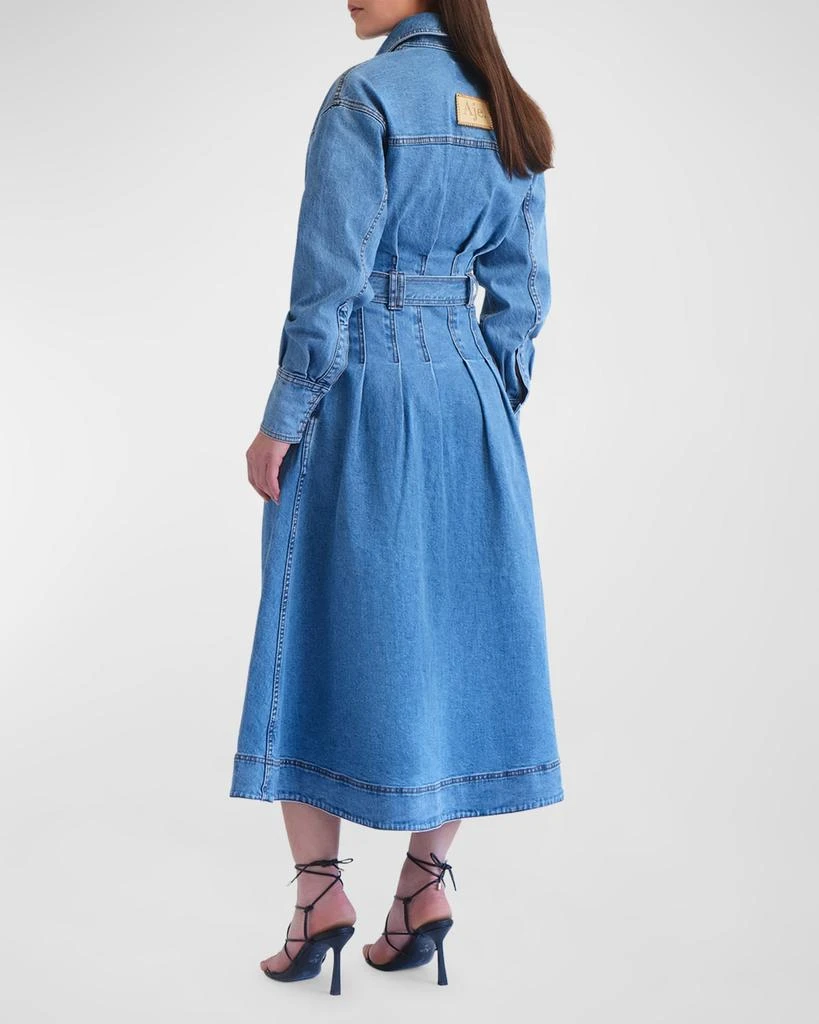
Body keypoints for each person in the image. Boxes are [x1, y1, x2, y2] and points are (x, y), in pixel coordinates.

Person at [229, 0, 564, 995]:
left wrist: (284, 416)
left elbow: (327, 282)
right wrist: (483, 399)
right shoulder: (507, 107)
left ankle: (318, 896)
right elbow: (522, 296)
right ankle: (423, 887)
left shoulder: (366, 97)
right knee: (463, 628)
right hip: (468, 396)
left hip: (363, 386)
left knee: (314, 623)